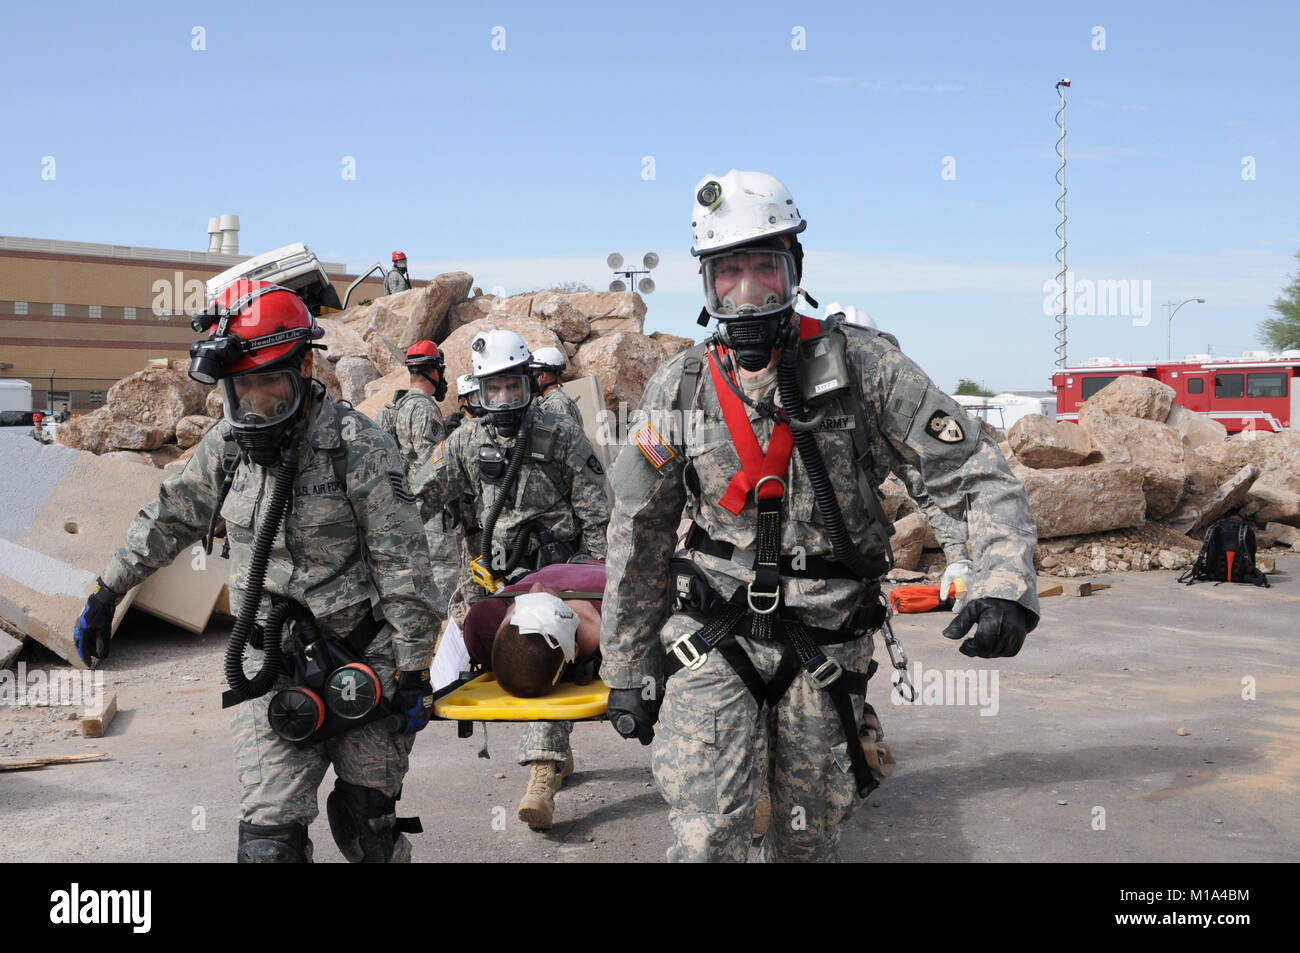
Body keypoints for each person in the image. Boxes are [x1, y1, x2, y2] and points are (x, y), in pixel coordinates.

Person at [600, 170, 1039, 862]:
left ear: (794, 269)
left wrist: (1004, 580)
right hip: (713, 633)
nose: (748, 293)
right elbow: (637, 527)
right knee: (704, 835)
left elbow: (971, 471)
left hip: (825, 639)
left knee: (807, 839)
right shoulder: (679, 384)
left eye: (765, 271)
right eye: (729, 273)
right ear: (707, 286)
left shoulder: (865, 368)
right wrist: (626, 662)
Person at [71, 280, 442, 863]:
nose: (259, 400)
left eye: (272, 382)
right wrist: (107, 589)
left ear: (306, 365)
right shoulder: (226, 446)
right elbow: (170, 516)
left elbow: (405, 568)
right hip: (269, 664)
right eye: (243, 386)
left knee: (366, 827)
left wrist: (415, 671)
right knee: (269, 844)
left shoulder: (358, 447)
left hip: (363, 660)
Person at [410, 328, 610, 831]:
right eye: (491, 390)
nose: (502, 400)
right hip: (493, 579)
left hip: (555, 579)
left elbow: (598, 514)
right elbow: (416, 499)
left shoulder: (559, 433)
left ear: (528, 382)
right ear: (477, 391)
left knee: (538, 655)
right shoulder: (466, 442)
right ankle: (555, 757)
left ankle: (541, 773)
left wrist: (586, 581)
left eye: (512, 388)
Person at [384, 340, 460, 614]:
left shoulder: (397, 406)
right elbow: (433, 464)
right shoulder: (426, 408)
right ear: (434, 371)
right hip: (430, 510)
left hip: (404, 505)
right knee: (442, 573)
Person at [531, 346, 582, 425]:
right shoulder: (561, 400)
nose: (530, 380)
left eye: (532, 374)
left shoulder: (555, 405)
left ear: (542, 376)